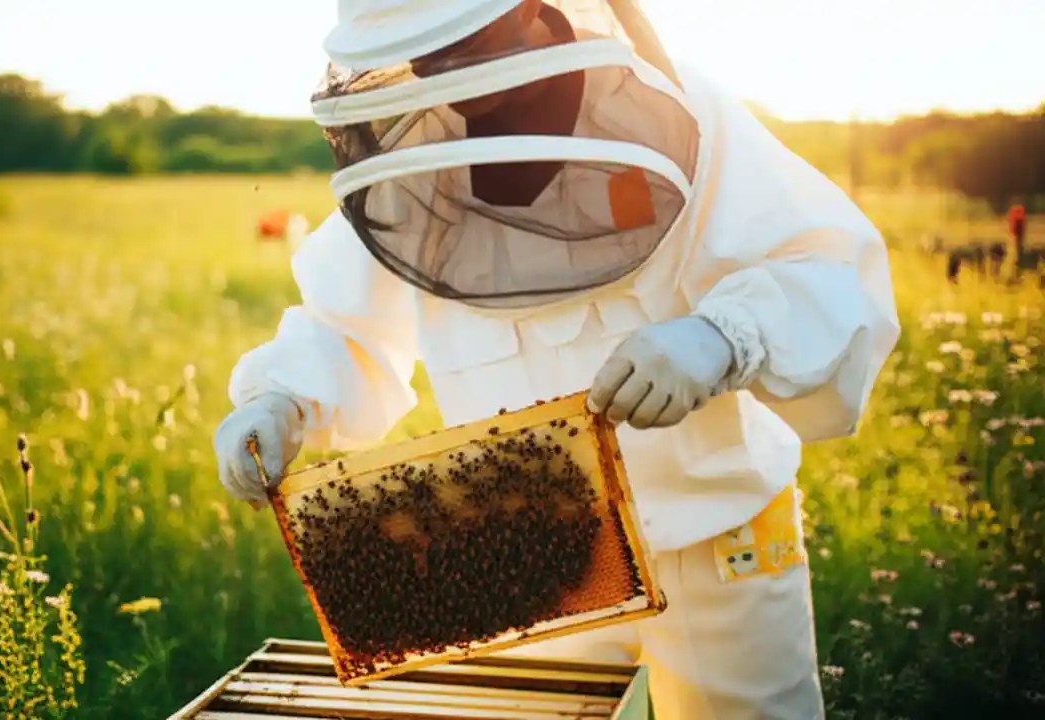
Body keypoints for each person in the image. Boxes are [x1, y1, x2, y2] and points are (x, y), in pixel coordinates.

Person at [214, 1, 900, 717]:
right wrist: (280, 400)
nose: (443, 69)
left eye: (459, 41)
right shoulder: (410, 163)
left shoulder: (675, 108)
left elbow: (824, 268)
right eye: (421, 52)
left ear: (532, 11)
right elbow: (343, 325)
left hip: (718, 538)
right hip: (533, 549)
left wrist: (722, 338)